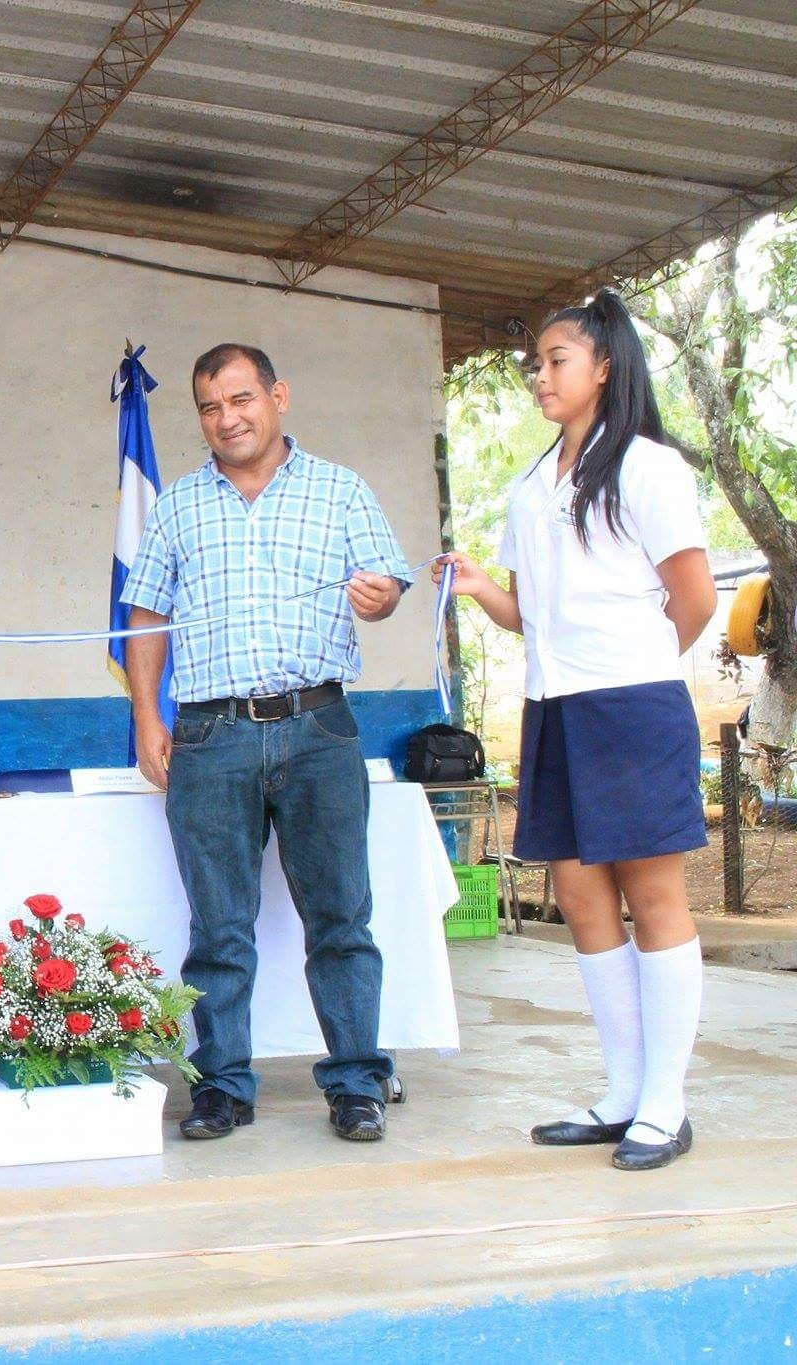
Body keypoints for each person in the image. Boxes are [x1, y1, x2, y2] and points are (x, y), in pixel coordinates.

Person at [437, 290, 715, 1172]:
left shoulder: (647, 467)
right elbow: (537, 613)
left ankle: (666, 1105)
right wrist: (484, 589)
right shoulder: (530, 483)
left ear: (603, 366)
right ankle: (624, 1091)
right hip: (555, 708)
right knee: (583, 897)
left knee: (654, 897)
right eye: (536, 362)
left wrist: (634, 670)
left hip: (633, 705)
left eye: (557, 359)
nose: (540, 375)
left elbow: (697, 597)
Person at [122, 342, 411, 1144]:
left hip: (319, 727)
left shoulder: (340, 489)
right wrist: (149, 716)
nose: (228, 418)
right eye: (211, 407)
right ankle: (222, 1085)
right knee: (218, 927)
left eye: (242, 399)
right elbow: (144, 616)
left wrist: (379, 596)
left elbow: (385, 587)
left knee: (341, 916)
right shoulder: (178, 505)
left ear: (277, 396)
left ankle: (357, 1080)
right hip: (209, 732)